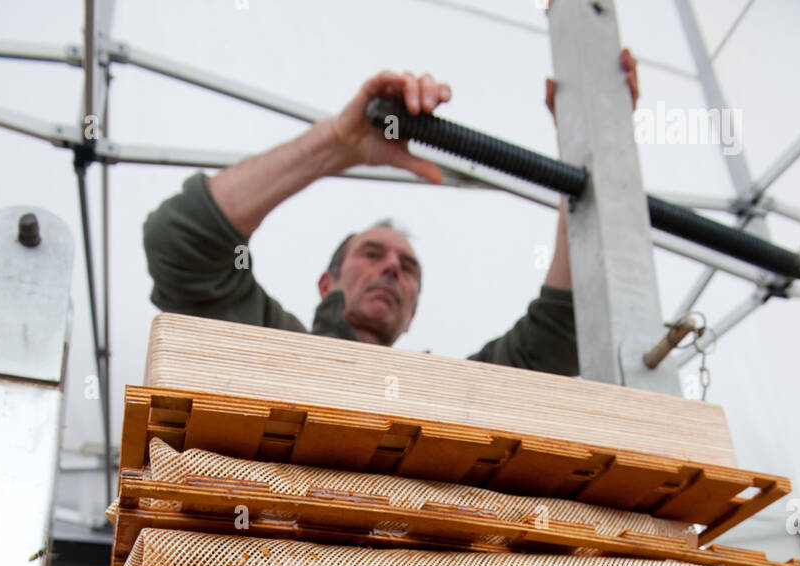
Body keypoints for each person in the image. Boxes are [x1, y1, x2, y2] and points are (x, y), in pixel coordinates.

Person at [143, 57, 638, 375]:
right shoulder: (271, 346)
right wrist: (339, 143)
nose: (392, 269)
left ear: (413, 313)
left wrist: (593, 148)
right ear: (325, 284)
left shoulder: (447, 395)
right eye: (372, 254)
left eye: (408, 267)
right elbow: (181, 240)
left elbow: (559, 336)